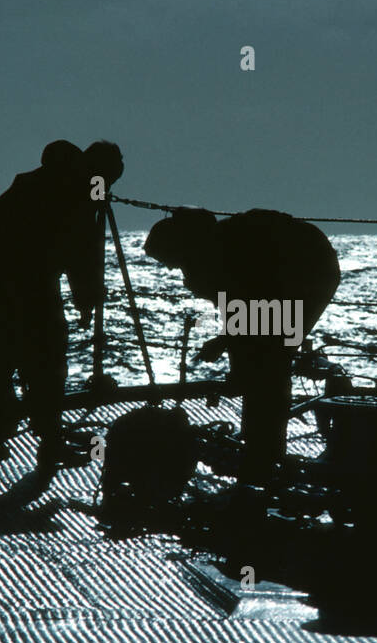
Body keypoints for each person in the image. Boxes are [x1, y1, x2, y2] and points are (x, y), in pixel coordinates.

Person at [144, 207, 340, 483]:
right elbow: (241, 310)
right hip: (290, 274)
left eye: (173, 262)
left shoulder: (225, 254)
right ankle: (262, 448)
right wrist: (229, 345)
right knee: (263, 360)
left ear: (183, 247)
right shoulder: (216, 248)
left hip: (306, 273)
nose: (176, 271)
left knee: (272, 361)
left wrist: (228, 347)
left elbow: (250, 305)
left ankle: (265, 456)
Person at [0, 139, 123, 492]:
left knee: (0, 364)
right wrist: (86, 300)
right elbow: (77, 253)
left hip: (0, 290)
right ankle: (49, 442)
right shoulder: (72, 196)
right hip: (33, 291)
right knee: (49, 364)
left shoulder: (32, 183)